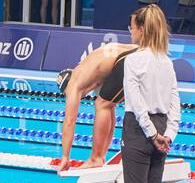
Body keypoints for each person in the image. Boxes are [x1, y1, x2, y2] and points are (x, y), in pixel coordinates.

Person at [109, 4, 181, 183]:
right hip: (162, 128)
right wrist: (167, 135)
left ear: (141, 29)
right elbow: (175, 101)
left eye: (132, 27)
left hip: (140, 131)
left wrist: (151, 134)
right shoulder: (166, 61)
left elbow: (136, 103)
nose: (130, 32)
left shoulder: (134, 60)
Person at [55, 41, 139, 169]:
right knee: (108, 105)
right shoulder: (88, 70)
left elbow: (69, 122)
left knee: (101, 105)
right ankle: (100, 156)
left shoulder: (73, 84)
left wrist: (65, 157)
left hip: (128, 58)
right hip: (141, 52)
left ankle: (96, 158)